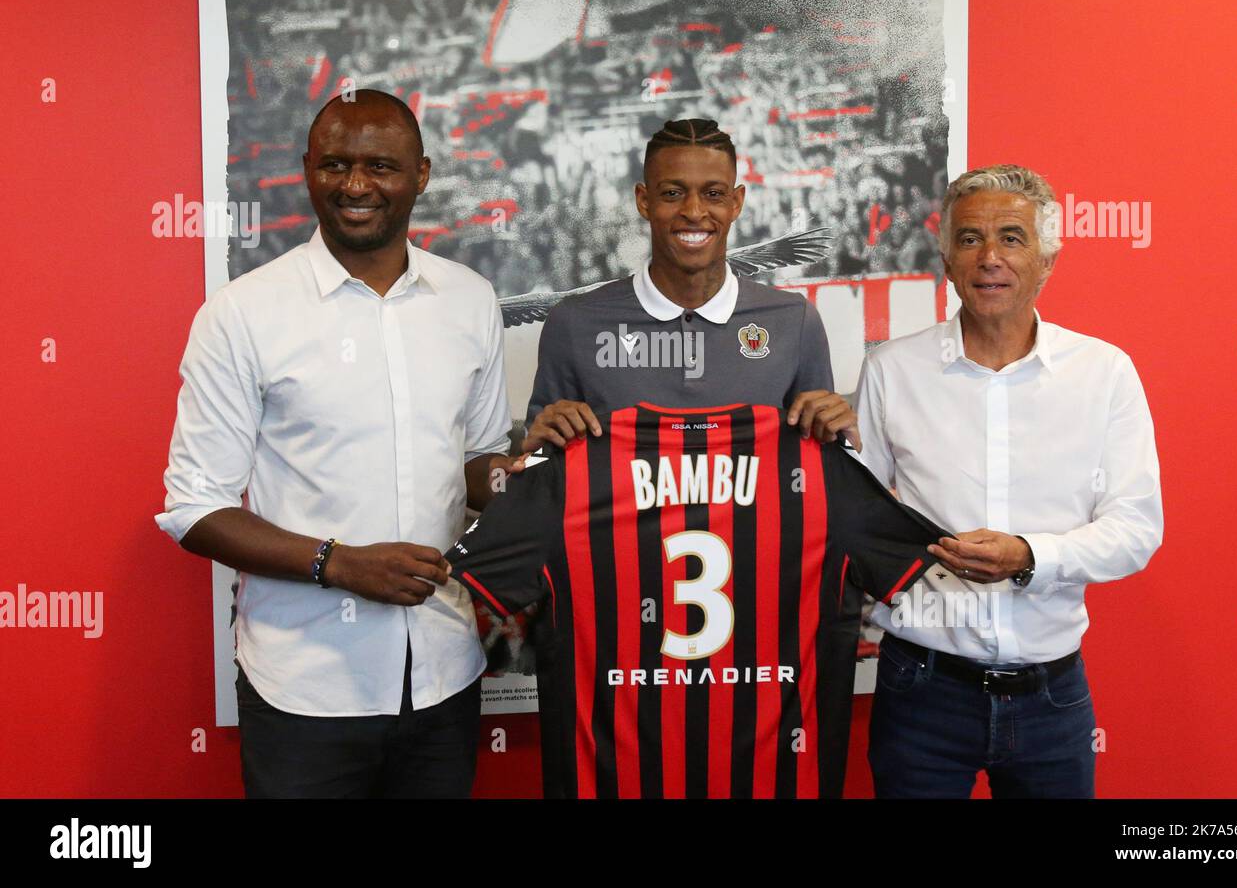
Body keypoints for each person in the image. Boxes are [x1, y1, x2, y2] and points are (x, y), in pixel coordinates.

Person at [155, 89, 521, 798]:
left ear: (421, 174)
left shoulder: (469, 300)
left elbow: (477, 462)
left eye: (381, 166)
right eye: (335, 165)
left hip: (444, 672)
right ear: (306, 170)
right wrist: (338, 564)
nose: (356, 186)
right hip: (305, 687)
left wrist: (532, 475)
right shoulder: (242, 315)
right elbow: (193, 510)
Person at [853, 164, 1163, 798]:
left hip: (1052, 698)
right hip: (920, 692)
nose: (989, 256)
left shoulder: (1103, 373)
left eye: (1013, 238)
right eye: (969, 238)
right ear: (946, 258)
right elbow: (858, 522)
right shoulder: (890, 371)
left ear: (1047, 259)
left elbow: (1137, 529)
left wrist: (1031, 557)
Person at [523, 118, 859, 454]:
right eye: (673, 193)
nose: (694, 211)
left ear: (736, 202)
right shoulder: (574, 324)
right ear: (643, 200)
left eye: (713, 194)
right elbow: (540, 473)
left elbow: (819, 468)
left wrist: (841, 436)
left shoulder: (794, 321)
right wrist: (534, 452)